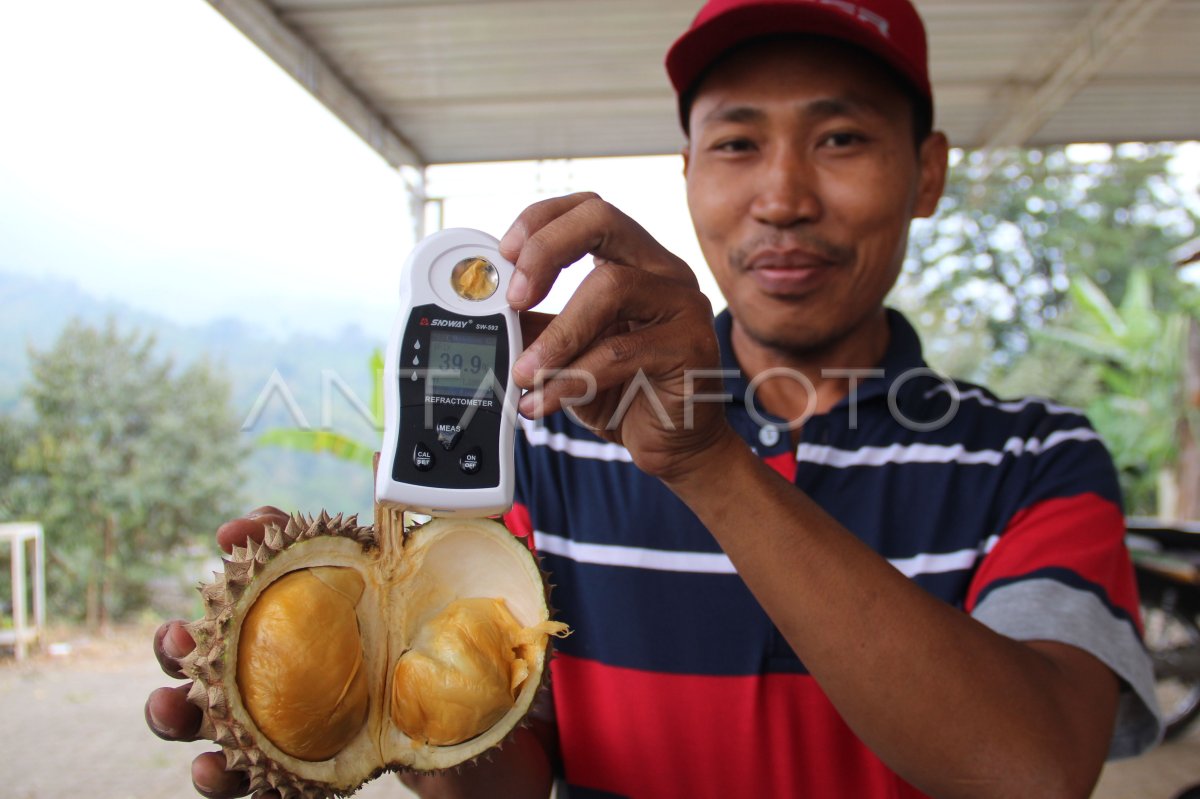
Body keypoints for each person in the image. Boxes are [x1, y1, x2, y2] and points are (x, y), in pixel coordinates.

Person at [147, 0, 1161, 796]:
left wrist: (707, 464)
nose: (782, 197)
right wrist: (379, 709)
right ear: (685, 172)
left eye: (842, 139)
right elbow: (507, 769)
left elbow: (1030, 770)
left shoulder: (1037, 460)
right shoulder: (549, 444)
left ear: (927, 172)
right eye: (735, 144)